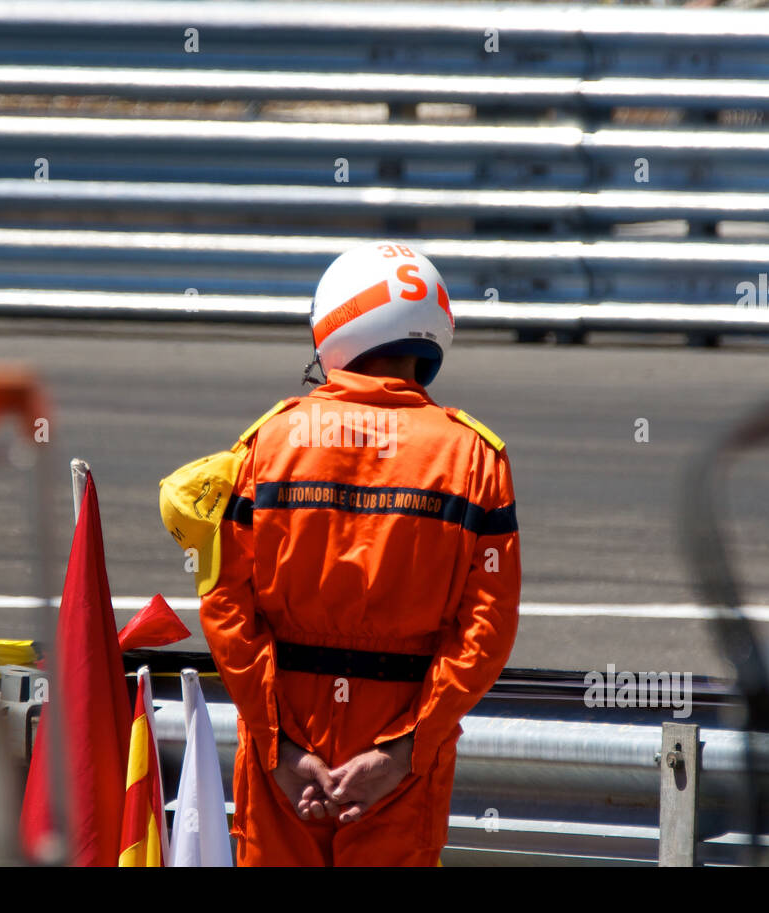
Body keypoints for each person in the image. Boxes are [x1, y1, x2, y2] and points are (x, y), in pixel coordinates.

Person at [188, 241, 522, 866]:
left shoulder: (268, 441)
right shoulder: (475, 457)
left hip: (286, 729)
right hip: (401, 738)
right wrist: (403, 754)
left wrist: (280, 749)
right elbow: (488, 629)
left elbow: (226, 607)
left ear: (337, 321)